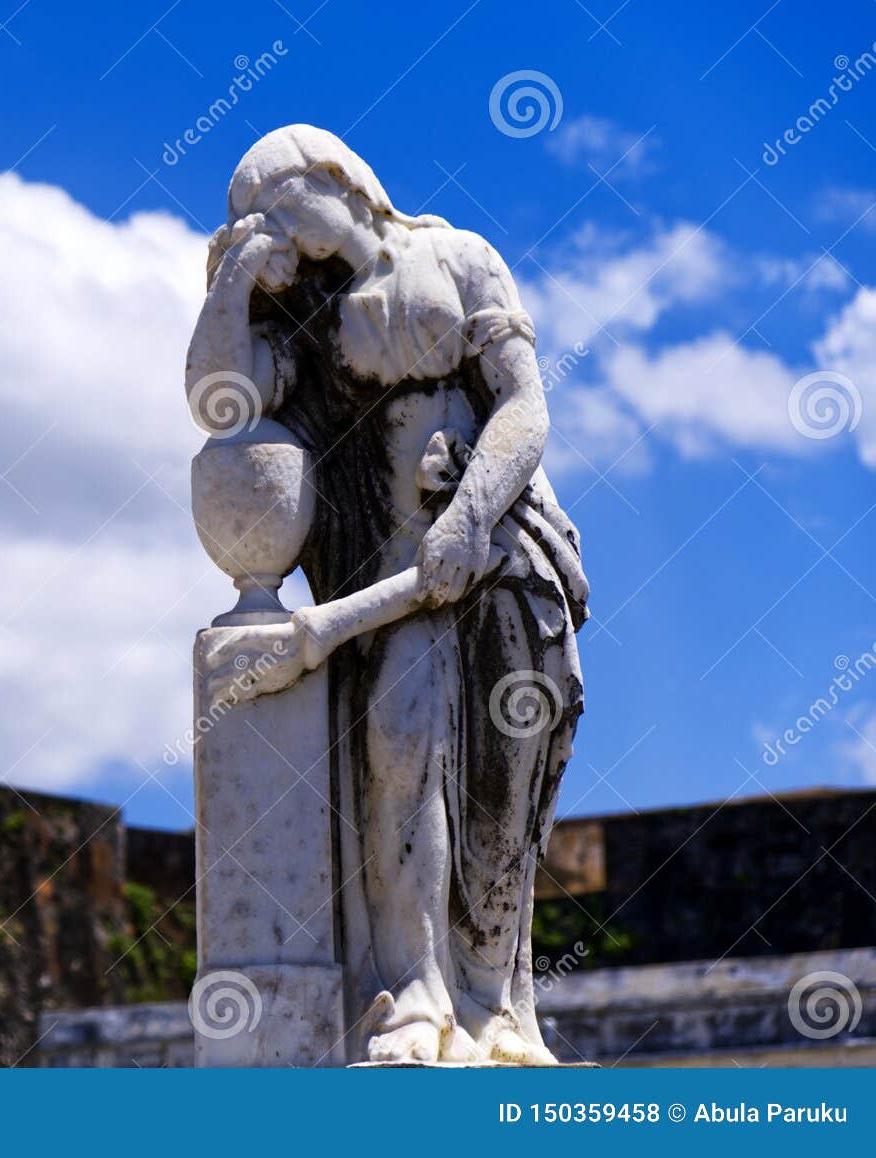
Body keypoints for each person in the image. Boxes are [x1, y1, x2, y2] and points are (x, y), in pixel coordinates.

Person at [185, 125, 589, 1064]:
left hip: (502, 558)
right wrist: (234, 281)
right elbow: (218, 404)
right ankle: (416, 992)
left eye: (276, 209)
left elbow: (524, 404)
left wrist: (471, 513)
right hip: (392, 578)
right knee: (400, 751)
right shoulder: (306, 319)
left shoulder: (459, 259)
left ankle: (492, 1007)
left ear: (333, 179)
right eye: (252, 224)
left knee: (503, 788)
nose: (276, 233)